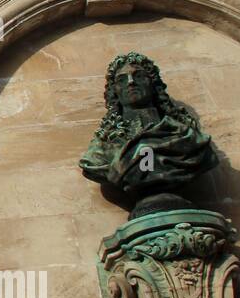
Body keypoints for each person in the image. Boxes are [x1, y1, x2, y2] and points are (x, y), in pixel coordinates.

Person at [79, 53, 219, 203]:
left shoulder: (187, 137)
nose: (131, 82)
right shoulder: (101, 150)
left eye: (139, 76)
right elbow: (95, 168)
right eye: (122, 80)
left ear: (153, 85)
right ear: (115, 92)